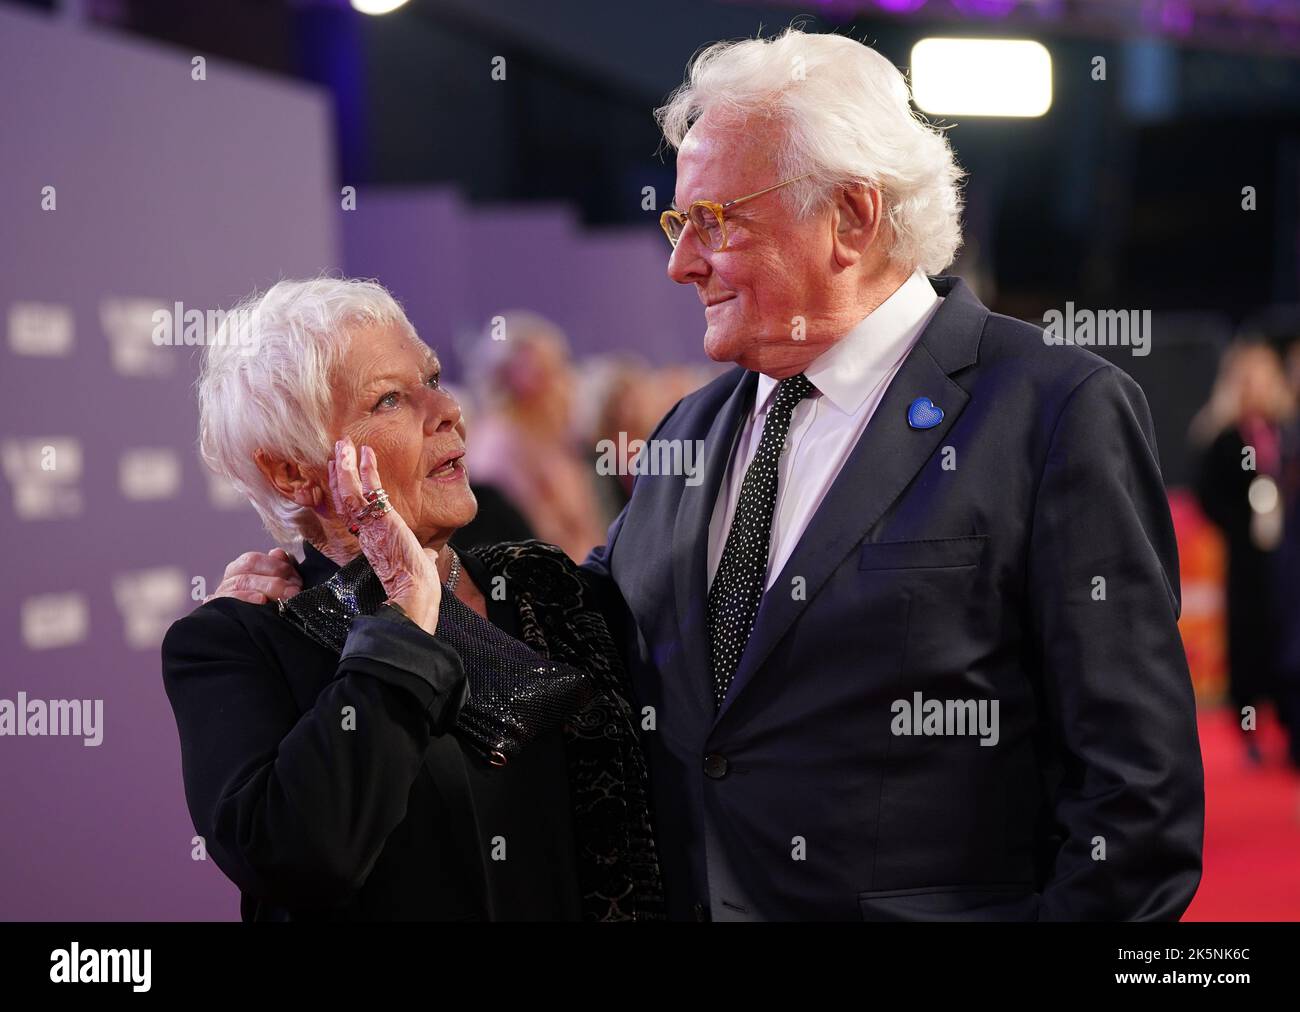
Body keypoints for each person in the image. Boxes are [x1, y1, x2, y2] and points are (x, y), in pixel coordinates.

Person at [217, 28, 1204, 921]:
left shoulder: (1049, 407)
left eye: (715, 220)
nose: (680, 262)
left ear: (852, 218)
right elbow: (577, 642)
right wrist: (335, 583)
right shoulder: (697, 426)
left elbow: (1136, 808)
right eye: (674, 224)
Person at [161, 278, 660, 921]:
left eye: (432, 378)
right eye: (391, 399)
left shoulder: (544, 586)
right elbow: (302, 853)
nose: (447, 410)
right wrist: (403, 618)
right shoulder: (237, 646)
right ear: (293, 472)